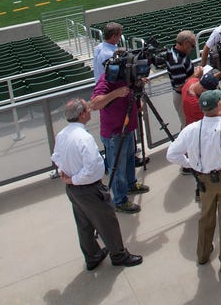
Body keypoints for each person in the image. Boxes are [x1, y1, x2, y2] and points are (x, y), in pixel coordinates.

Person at [166, 89, 221, 274]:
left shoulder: (190, 130)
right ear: (220, 106)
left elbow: (172, 154)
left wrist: (190, 164)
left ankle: (203, 253)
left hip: (204, 181)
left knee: (205, 217)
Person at [50, 98, 144, 271]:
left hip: (73, 190)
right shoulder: (84, 138)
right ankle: (119, 255)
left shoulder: (62, 134)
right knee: (107, 222)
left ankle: (92, 256)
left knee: (84, 224)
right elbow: (93, 169)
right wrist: (74, 179)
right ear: (81, 114)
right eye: (87, 108)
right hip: (88, 189)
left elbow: (55, 156)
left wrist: (67, 174)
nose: (90, 110)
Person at [90, 53, 149, 213]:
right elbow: (94, 104)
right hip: (115, 133)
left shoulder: (128, 76)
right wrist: (116, 93)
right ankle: (119, 200)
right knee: (118, 167)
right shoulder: (107, 78)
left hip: (128, 127)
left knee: (130, 159)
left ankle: (131, 185)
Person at [165, 30, 198, 120]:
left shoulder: (178, 52)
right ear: (186, 43)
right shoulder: (176, 60)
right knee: (188, 123)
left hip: (186, 93)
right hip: (183, 96)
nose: (193, 48)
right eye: (192, 46)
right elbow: (180, 86)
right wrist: (196, 74)